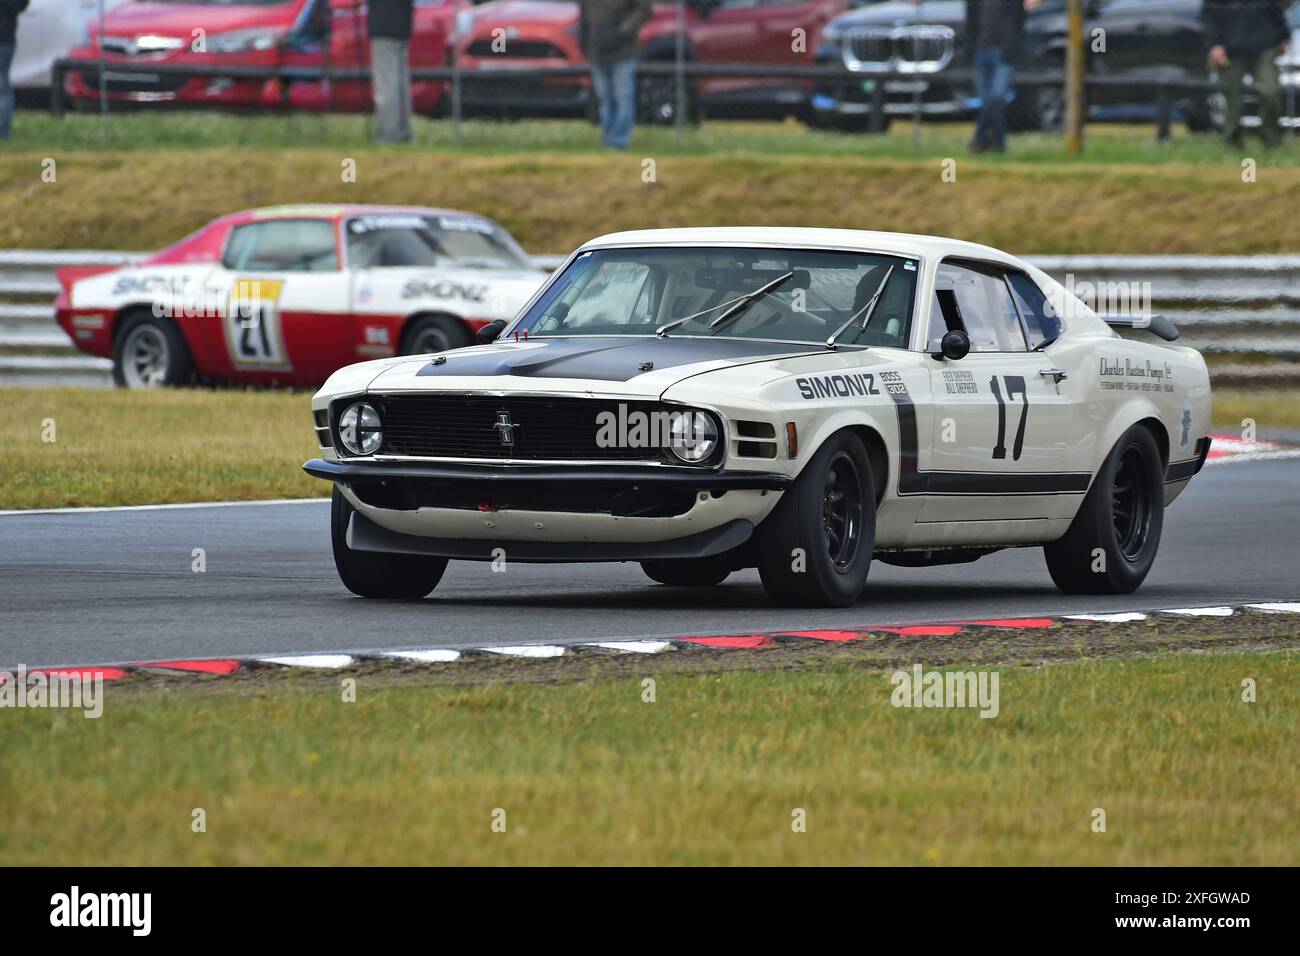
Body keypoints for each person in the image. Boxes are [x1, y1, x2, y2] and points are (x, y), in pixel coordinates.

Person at [1202, 0, 1290, 148]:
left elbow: (1275, 11)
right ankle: (1232, 141)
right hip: (1230, 49)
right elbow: (1209, 16)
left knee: (1271, 92)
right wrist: (1213, 44)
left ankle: (1271, 139)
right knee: (1231, 98)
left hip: (1264, 46)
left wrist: (1284, 37)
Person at [961, 0, 1040, 153]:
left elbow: (1019, 21)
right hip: (981, 50)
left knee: (996, 96)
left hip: (1004, 53)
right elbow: (971, 22)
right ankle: (998, 144)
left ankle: (980, 138)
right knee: (985, 100)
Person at [578, 0, 652, 150]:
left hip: (623, 51)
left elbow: (644, 10)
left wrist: (621, 31)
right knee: (605, 98)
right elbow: (584, 14)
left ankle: (618, 141)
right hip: (596, 49)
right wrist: (584, 35)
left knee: (623, 96)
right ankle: (608, 138)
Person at [369, 0, 414, 144]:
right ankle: (403, 130)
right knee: (401, 83)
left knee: (386, 84)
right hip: (403, 24)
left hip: (383, 24)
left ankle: (389, 134)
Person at [0, 0, 29, 139]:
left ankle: (3, 130)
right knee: (3, 85)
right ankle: (4, 130)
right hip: (6, 40)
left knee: (3, 84)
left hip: (4, 40)